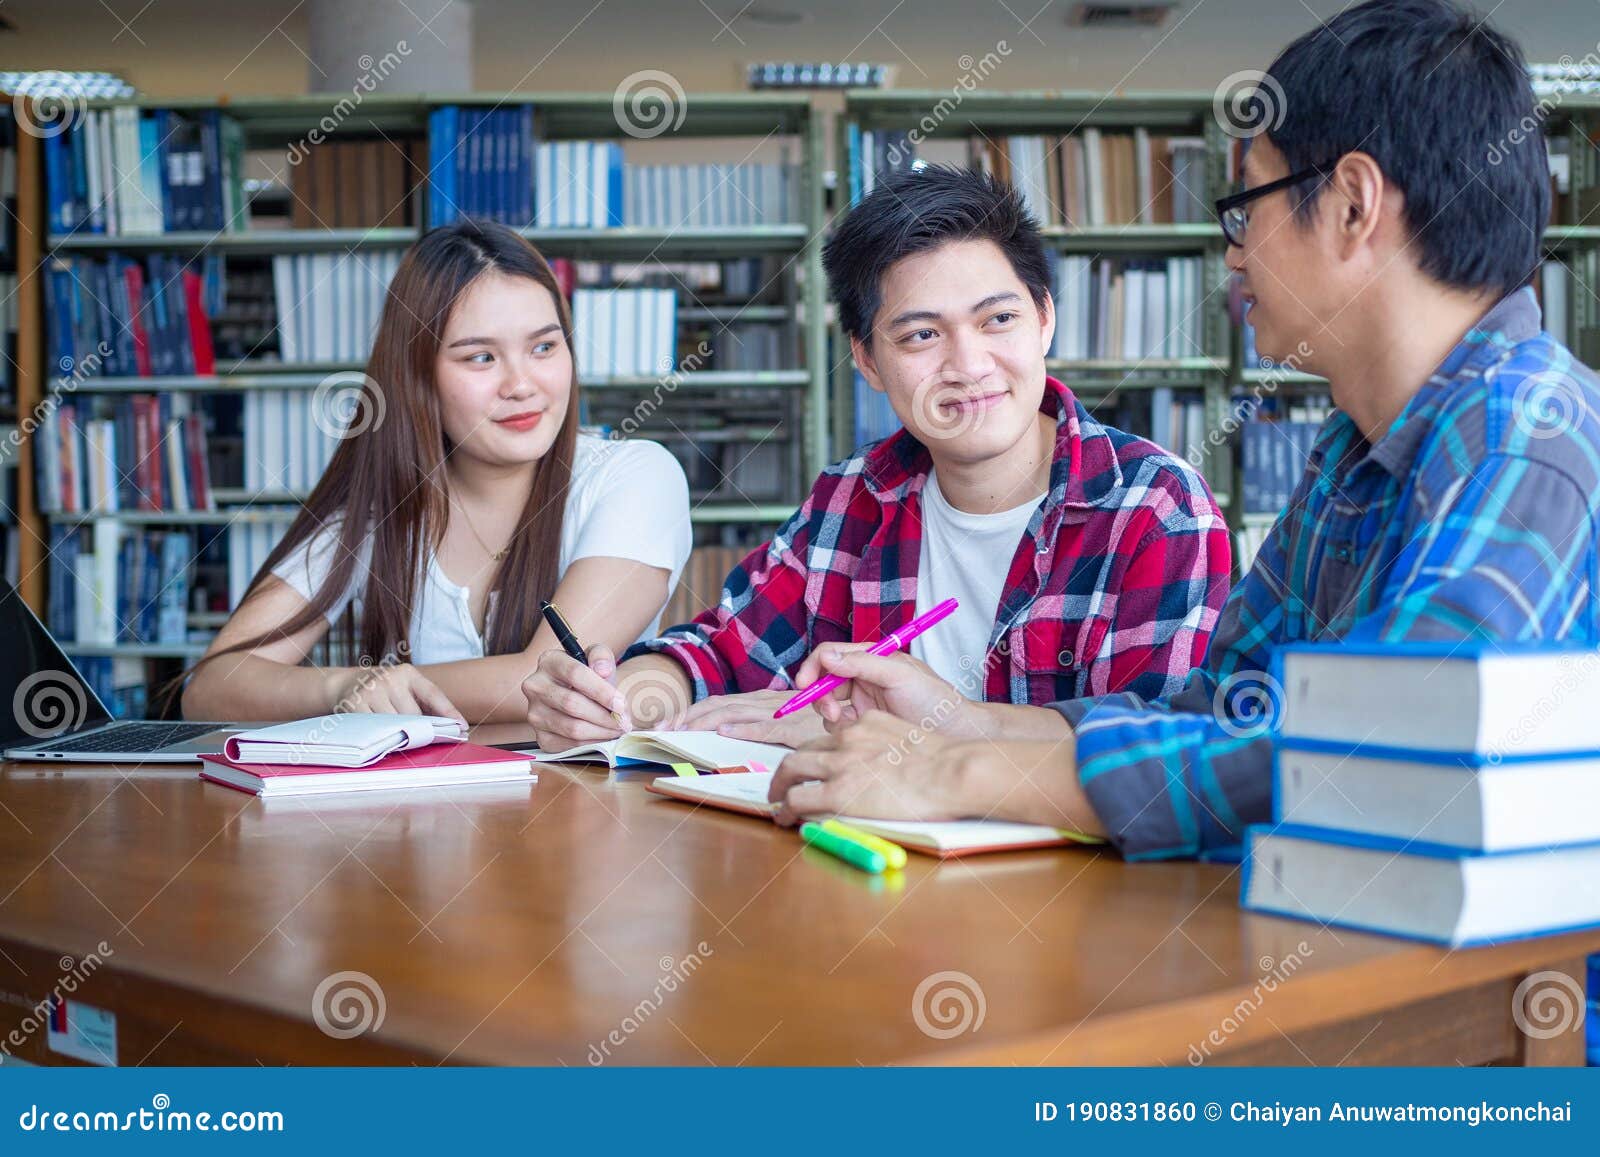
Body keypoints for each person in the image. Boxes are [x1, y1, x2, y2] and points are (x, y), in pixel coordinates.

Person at [768, 0, 1600, 859]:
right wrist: (959, 725)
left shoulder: (1523, 435)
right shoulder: (1353, 451)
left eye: (1250, 207)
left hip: (1517, 991)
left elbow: (1390, 759)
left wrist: (960, 774)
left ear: (1353, 204)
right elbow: (1220, 711)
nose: (1234, 254)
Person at [523, 164, 1231, 752]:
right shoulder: (851, 500)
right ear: (867, 359)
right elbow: (721, 650)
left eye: (999, 320)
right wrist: (634, 698)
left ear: (1045, 316)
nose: (969, 364)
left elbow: (1158, 746)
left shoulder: (1154, 506)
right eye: (922, 335)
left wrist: (889, 734)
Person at [183, 220, 691, 725]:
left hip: (584, 802)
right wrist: (349, 685)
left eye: (544, 347)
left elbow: (538, 683)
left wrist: (397, 687)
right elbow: (211, 688)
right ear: (418, 377)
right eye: (481, 357)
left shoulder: (636, 477)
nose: (521, 384)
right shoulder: (379, 511)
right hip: (427, 804)